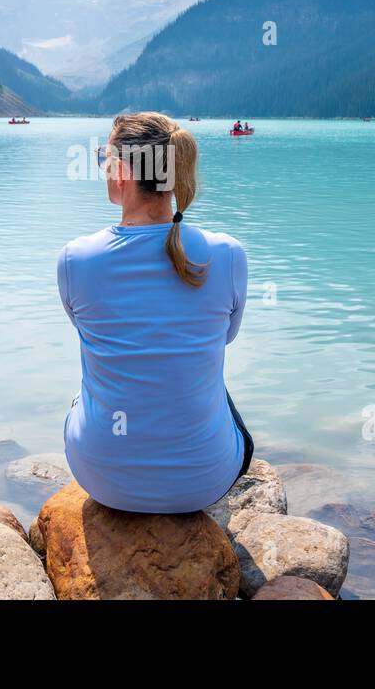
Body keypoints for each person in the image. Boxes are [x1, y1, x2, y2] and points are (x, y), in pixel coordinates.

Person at [58, 112, 252, 514]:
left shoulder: (76, 259)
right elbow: (225, 337)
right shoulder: (228, 254)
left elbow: (89, 330)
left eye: (103, 158)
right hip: (204, 481)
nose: (102, 168)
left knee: (88, 388)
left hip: (101, 478)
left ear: (124, 171)